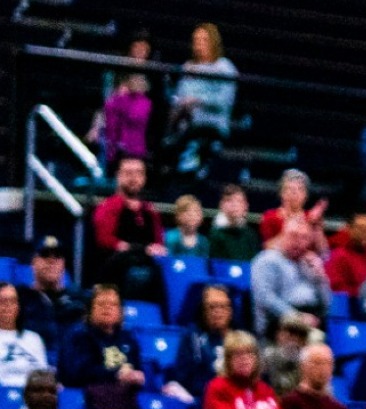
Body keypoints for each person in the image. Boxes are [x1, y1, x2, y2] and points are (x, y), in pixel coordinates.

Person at [60, 286, 146, 409]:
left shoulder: (128, 339)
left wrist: (137, 377)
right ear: (90, 310)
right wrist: (116, 375)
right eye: (101, 304)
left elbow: (138, 368)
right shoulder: (79, 337)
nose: (107, 308)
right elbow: (77, 373)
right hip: (89, 402)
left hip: (126, 401)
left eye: (113, 304)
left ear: (121, 312)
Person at [89, 156, 166, 303]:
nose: (134, 178)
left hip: (146, 263)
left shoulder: (150, 211)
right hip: (115, 270)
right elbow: (105, 240)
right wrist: (140, 249)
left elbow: (159, 245)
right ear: (118, 176)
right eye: (128, 173)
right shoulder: (108, 207)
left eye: (138, 173)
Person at [203, 331, 302, 409]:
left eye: (249, 353)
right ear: (228, 360)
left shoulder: (266, 390)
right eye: (237, 354)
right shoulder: (217, 387)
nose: (244, 359)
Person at [167, 23, 237, 178]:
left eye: (204, 40)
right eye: (196, 40)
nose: (199, 44)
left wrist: (198, 100)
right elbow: (179, 96)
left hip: (211, 126)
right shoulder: (188, 67)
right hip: (186, 124)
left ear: (213, 42)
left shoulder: (224, 67)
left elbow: (224, 101)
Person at [252, 218, 330, 335]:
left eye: (304, 237)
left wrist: (320, 278)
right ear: (283, 236)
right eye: (293, 236)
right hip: (279, 322)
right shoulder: (267, 259)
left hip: (311, 318)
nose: (298, 241)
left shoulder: (308, 263)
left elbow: (326, 305)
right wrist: (297, 317)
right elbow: (265, 298)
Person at [0, 284, 50, 389]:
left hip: (34, 398)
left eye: (13, 301)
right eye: (3, 301)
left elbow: (43, 376)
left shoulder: (34, 339)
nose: (8, 306)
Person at [260, 169, 327, 243]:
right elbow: (268, 247)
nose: (294, 193)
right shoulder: (270, 216)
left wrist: (317, 228)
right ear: (281, 193)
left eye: (300, 189)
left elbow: (323, 252)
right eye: (289, 189)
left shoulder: (312, 217)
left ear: (306, 195)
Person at [208, 185, 261, 262]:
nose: (234, 205)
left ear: (245, 206)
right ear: (221, 205)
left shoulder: (251, 235)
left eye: (239, 201)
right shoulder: (215, 234)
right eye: (229, 200)